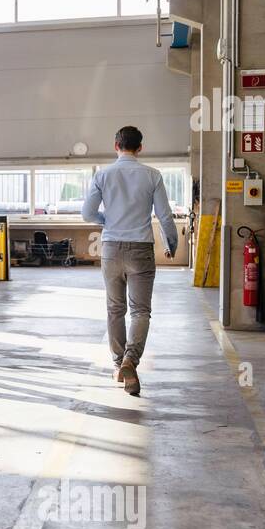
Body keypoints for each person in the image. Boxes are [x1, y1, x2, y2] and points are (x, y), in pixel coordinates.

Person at [81, 125, 178, 397]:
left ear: (116, 146)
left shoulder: (103, 175)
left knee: (115, 310)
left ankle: (117, 364)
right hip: (141, 250)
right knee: (140, 312)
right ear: (140, 148)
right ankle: (130, 361)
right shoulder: (152, 175)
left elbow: (87, 213)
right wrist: (172, 243)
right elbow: (166, 216)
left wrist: (107, 220)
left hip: (111, 248)